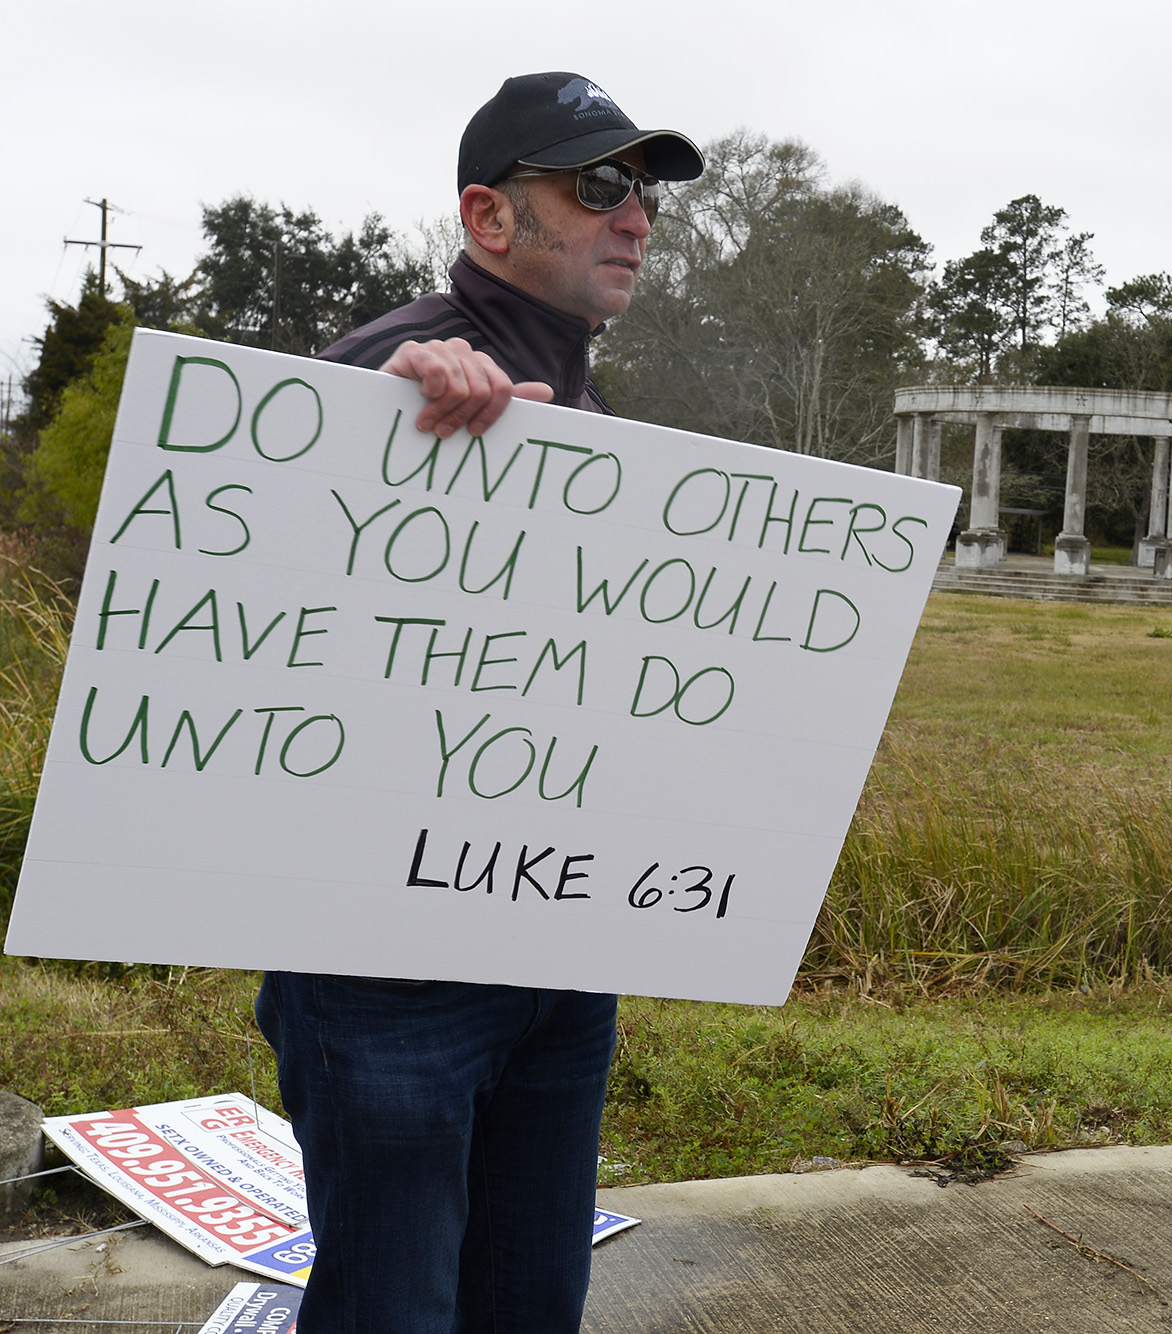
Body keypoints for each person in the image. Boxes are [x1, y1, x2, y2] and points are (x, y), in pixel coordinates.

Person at [253, 72, 703, 1334]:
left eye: (646, 192)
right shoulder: (392, 377)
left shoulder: (588, 413)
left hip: (557, 956)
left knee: (529, 1301)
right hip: (387, 981)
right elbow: (263, 629)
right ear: (487, 218)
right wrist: (383, 415)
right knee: (394, 1308)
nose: (635, 217)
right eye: (598, 185)